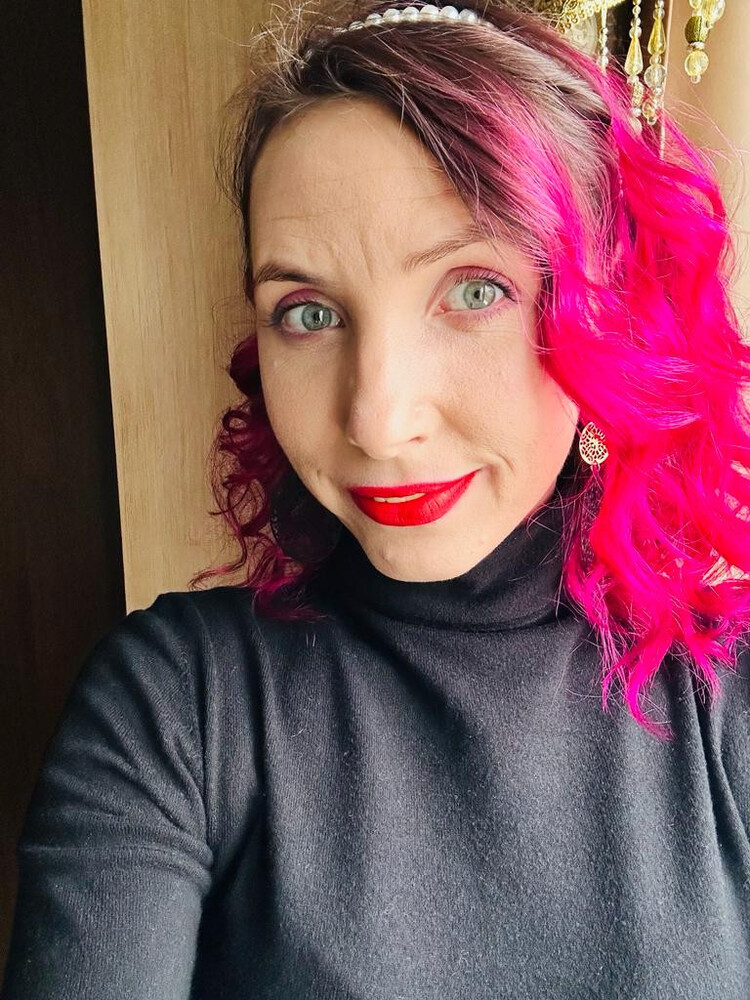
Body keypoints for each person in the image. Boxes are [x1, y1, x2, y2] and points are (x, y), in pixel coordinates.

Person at [3, 1, 750, 996]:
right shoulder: (178, 706)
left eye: (474, 290)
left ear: (602, 313)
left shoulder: (727, 701)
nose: (377, 420)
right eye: (308, 312)